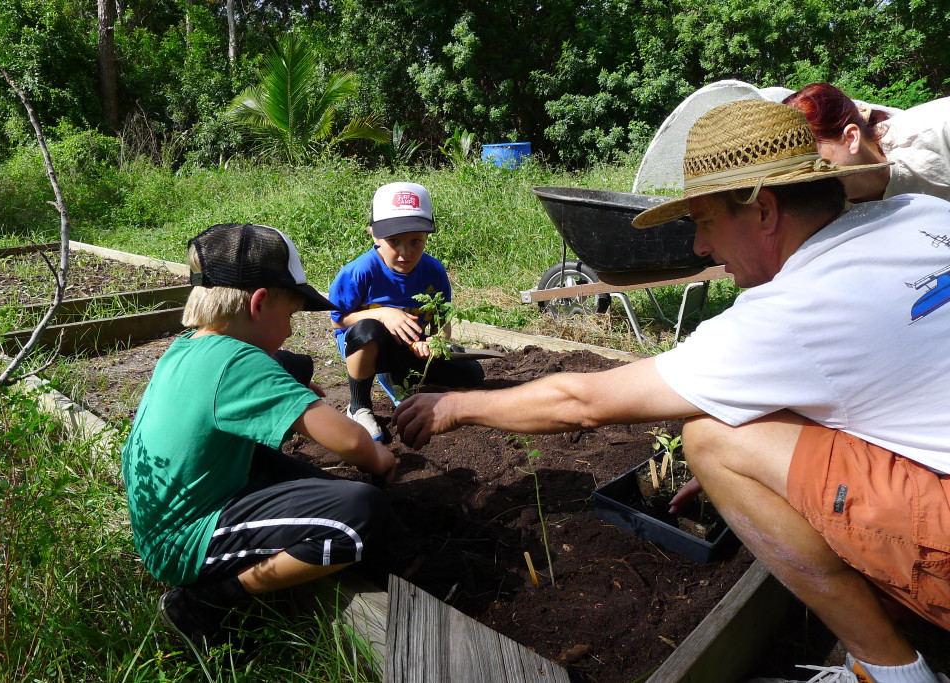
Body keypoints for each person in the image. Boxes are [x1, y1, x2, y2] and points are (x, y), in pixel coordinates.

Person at [394, 100, 950, 683]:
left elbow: (583, 403)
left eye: (705, 222)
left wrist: (457, 406)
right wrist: (775, 476)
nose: (702, 247)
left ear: (762, 210)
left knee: (711, 440)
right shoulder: (920, 211)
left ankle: (890, 671)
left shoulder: (790, 313)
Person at [120, 223, 397, 655]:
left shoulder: (188, 346)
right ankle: (205, 602)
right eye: (289, 317)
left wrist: (291, 388)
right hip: (186, 542)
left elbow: (278, 367)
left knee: (290, 365)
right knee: (362, 513)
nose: (289, 329)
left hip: (174, 509)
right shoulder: (239, 363)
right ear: (260, 302)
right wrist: (380, 460)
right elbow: (352, 443)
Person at [328, 181, 484, 442]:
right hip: (366, 347)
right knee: (368, 329)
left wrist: (437, 340)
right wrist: (381, 313)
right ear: (375, 235)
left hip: (411, 345)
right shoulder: (358, 272)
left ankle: (401, 380)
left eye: (416, 241)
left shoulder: (433, 271)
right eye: (394, 241)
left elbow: (440, 319)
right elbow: (339, 321)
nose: (405, 252)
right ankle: (359, 406)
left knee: (473, 375)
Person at [784, 82, 950, 202]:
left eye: (807, 153)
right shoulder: (813, 214)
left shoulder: (938, 129)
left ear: (851, 138)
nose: (798, 173)